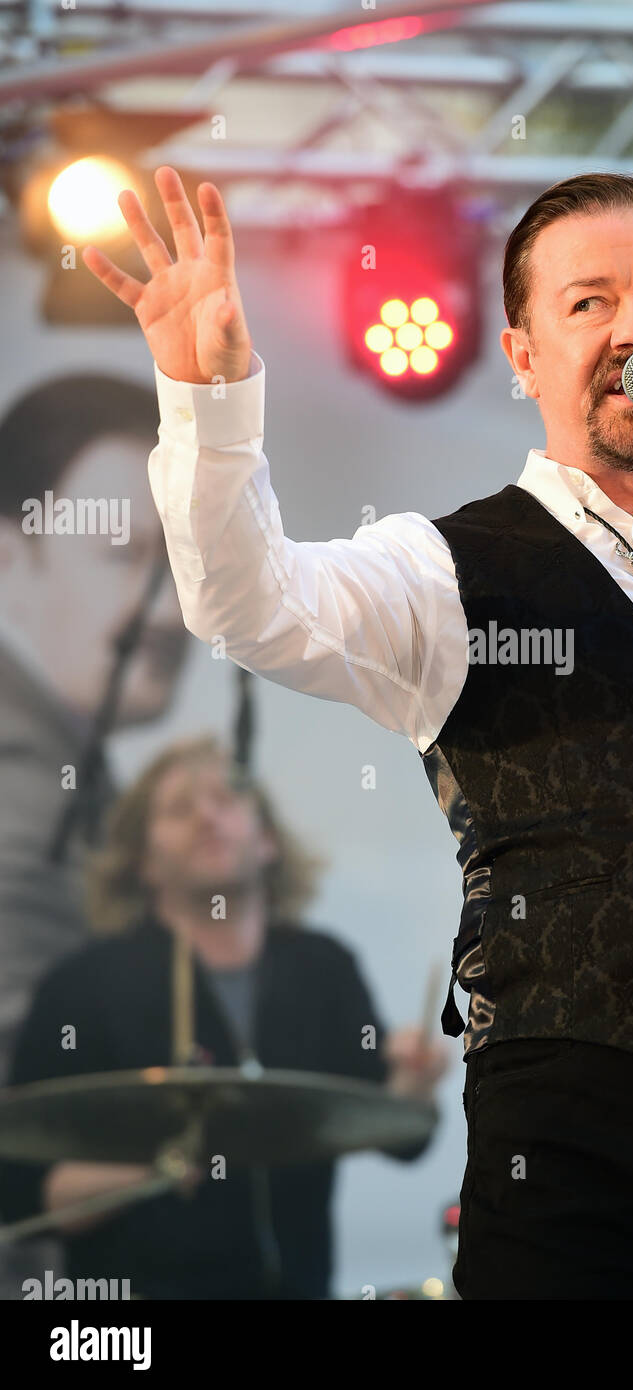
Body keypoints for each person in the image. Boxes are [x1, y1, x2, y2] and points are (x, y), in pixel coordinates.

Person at [81, 167, 633, 1300]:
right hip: (573, 1122)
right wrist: (208, 401)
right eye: (588, 302)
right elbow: (251, 606)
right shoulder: (442, 570)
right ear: (522, 356)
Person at [0, 737, 448, 1299]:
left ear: (265, 840)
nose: (207, 816)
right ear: (144, 861)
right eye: (180, 808)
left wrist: (416, 1085)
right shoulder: (81, 986)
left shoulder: (323, 968)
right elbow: (17, 1185)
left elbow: (399, 1137)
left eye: (225, 799)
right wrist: (156, 1170)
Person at [0, 372, 191, 1298]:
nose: (166, 613)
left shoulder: (71, 763)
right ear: (9, 557)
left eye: (178, 563)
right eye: (122, 555)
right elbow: (28, 1134)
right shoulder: (20, 780)